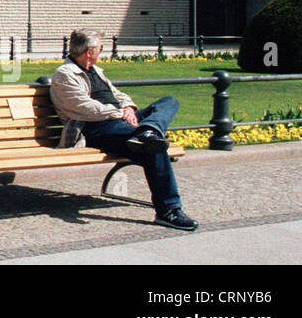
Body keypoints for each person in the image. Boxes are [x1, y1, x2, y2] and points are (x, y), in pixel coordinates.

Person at [49, 28, 197, 231]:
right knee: (152, 147)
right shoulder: (64, 75)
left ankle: (148, 131)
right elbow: (84, 108)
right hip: (95, 128)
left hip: (121, 122)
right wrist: (121, 113)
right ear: (90, 51)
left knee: (168, 102)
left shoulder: (96, 71)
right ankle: (168, 210)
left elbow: (118, 95)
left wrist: (128, 108)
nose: (102, 51)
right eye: (101, 48)